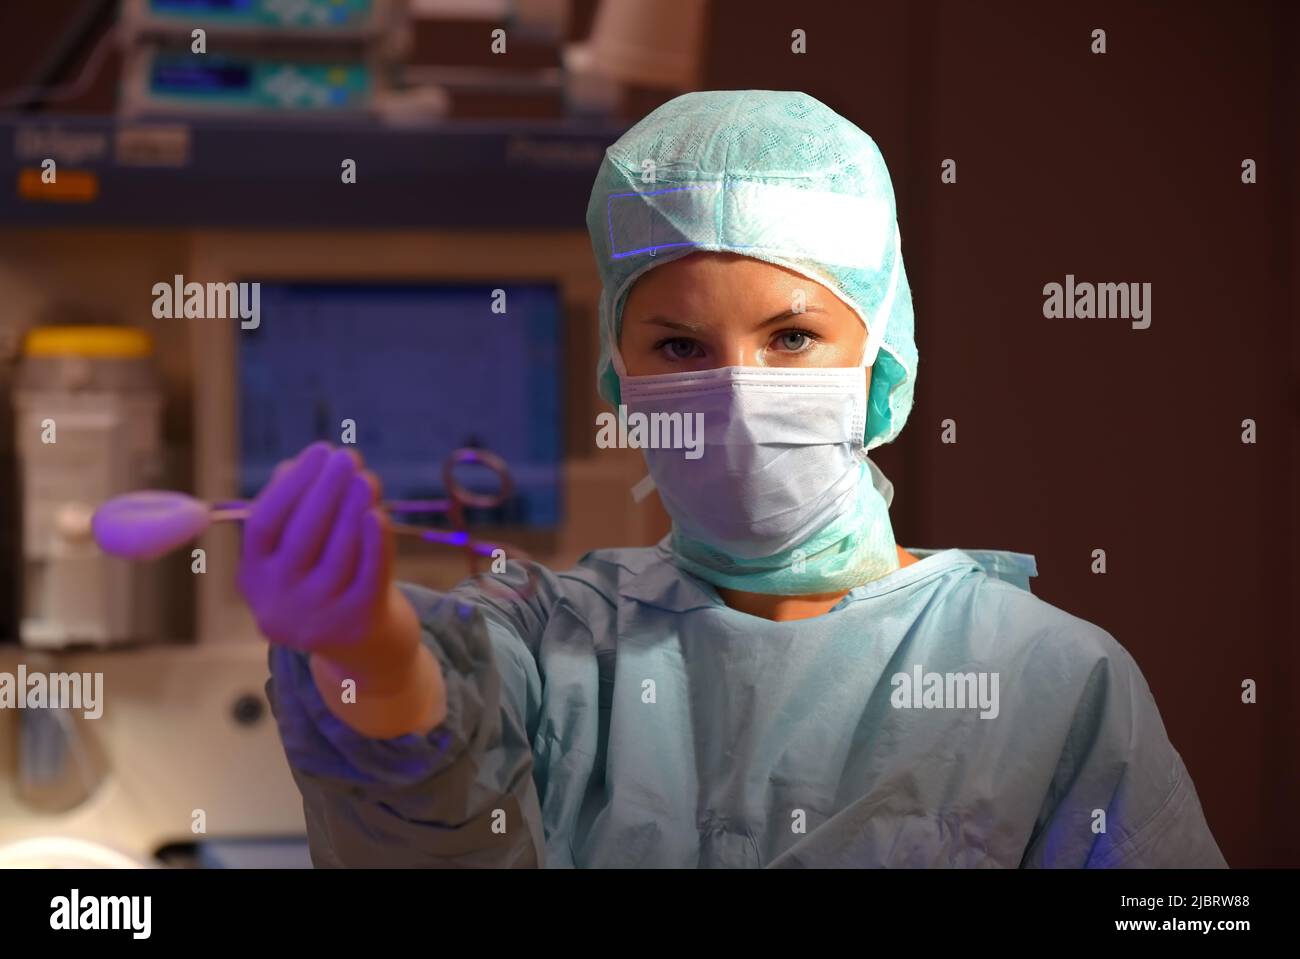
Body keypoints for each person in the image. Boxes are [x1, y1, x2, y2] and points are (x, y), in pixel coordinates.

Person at [250, 90, 1226, 868]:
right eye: (678, 343)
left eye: (792, 335)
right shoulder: (548, 641)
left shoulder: (1047, 678)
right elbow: (426, 766)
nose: (739, 391)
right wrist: (365, 646)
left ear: (878, 358)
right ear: (618, 376)